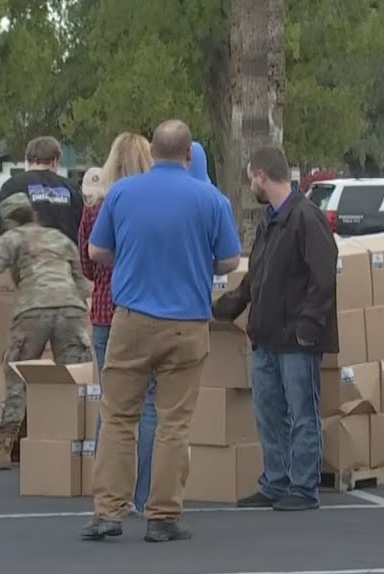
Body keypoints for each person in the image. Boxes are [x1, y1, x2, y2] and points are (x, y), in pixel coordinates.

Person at [81, 120, 242, 543]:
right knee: (173, 422)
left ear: (152, 152)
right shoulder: (211, 199)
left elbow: (97, 251)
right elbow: (228, 260)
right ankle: (163, 514)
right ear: (190, 155)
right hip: (187, 322)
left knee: (117, 417)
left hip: (132, 317)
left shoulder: (122, 193)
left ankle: (107, 512)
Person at [214, 146, 337, 511]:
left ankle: (303, 485)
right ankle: (276, 479)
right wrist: (228, 306)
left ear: (261, 176)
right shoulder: (271, 220)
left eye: (251, 176)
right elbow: (257, 276)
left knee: (302, 413)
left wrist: (308, 329)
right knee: (268, 413)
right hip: (266, 337)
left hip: (296, 339)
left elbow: (323, 276)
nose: (250, 183)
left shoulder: (305, 217)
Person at [0, 192, 93, 469]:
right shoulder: (59, 238)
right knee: (76, 379)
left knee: (16, 375)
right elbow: (82, 281)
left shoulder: (12, 238)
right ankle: (78, 441)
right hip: (70, 308)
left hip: (32, 310)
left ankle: (5, 448)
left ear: (9, 220)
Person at [79, 132, 155, 513]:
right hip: (145, 311)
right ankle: (145, 494)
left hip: (106, 313)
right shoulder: (152, 205)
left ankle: (107, 491)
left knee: (112, 405)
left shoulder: (96, 207)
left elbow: (87, 264)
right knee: (149, 405)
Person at [0, 135, 83, 245]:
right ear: (55, 160)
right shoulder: (72, 188)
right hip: (63, 257)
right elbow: (81, 232)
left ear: (28, 159)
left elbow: (3, 233)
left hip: (25, 258)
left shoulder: (12, 185)